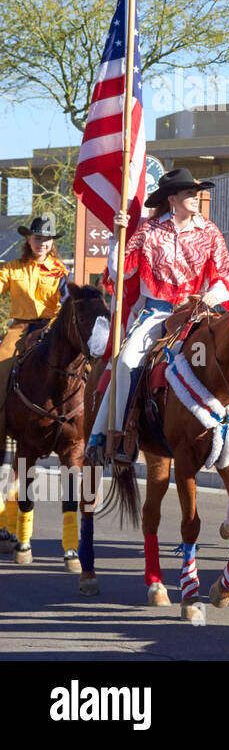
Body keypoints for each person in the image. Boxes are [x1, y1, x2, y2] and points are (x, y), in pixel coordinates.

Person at [87, 168, 229, 456]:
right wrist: (116, 239)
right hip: (157, 313)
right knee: (126, 362)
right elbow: (121, 271)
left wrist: (212, 294)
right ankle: (116, 435)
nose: (195, 196)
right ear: (172, 199)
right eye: (189, 192)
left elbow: (225, 274)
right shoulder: (149, 231)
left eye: (195, 192)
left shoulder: (209, 232)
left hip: (199, 310)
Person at [0, 213, 69, 551]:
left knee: (80, 369)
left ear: (53, 241)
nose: (42, 243)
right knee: (0, 368)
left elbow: (70, 303)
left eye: (47, 238)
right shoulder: (10, 269)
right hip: (19, 330)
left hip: (52, 334)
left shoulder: (61, 272)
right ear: (29, 240)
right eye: (37, 238)